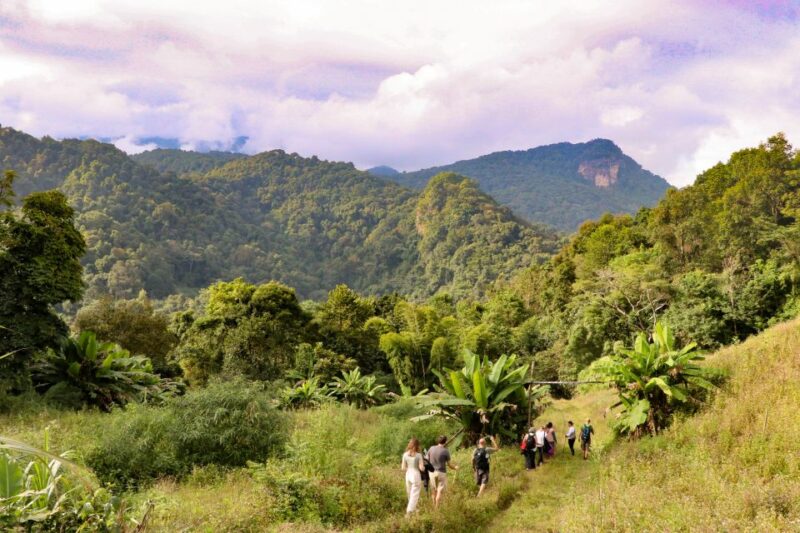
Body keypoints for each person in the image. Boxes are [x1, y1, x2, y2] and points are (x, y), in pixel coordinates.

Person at [426, 435, 458, 508]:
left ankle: (433, 506)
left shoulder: (431, 448)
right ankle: (437, 508)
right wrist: (455, 467)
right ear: (445, 442)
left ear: (438, 441)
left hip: (432, 472)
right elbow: (449, 465)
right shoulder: (446, 451)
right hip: (441, 473)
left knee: (433, 490)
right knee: (439, 491)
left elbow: (426, 459)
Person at [401, 438, 425, 514]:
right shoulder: (418, 455)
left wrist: (409, 468)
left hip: (408, 475)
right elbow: (421, 468)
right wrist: (424, 467)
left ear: (409, 445)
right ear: (417, 445)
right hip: (415, 475)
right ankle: (409, 512)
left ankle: (415, 510)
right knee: (414, 494)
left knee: (410, 494)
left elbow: (403, 468)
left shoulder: (405, 454)